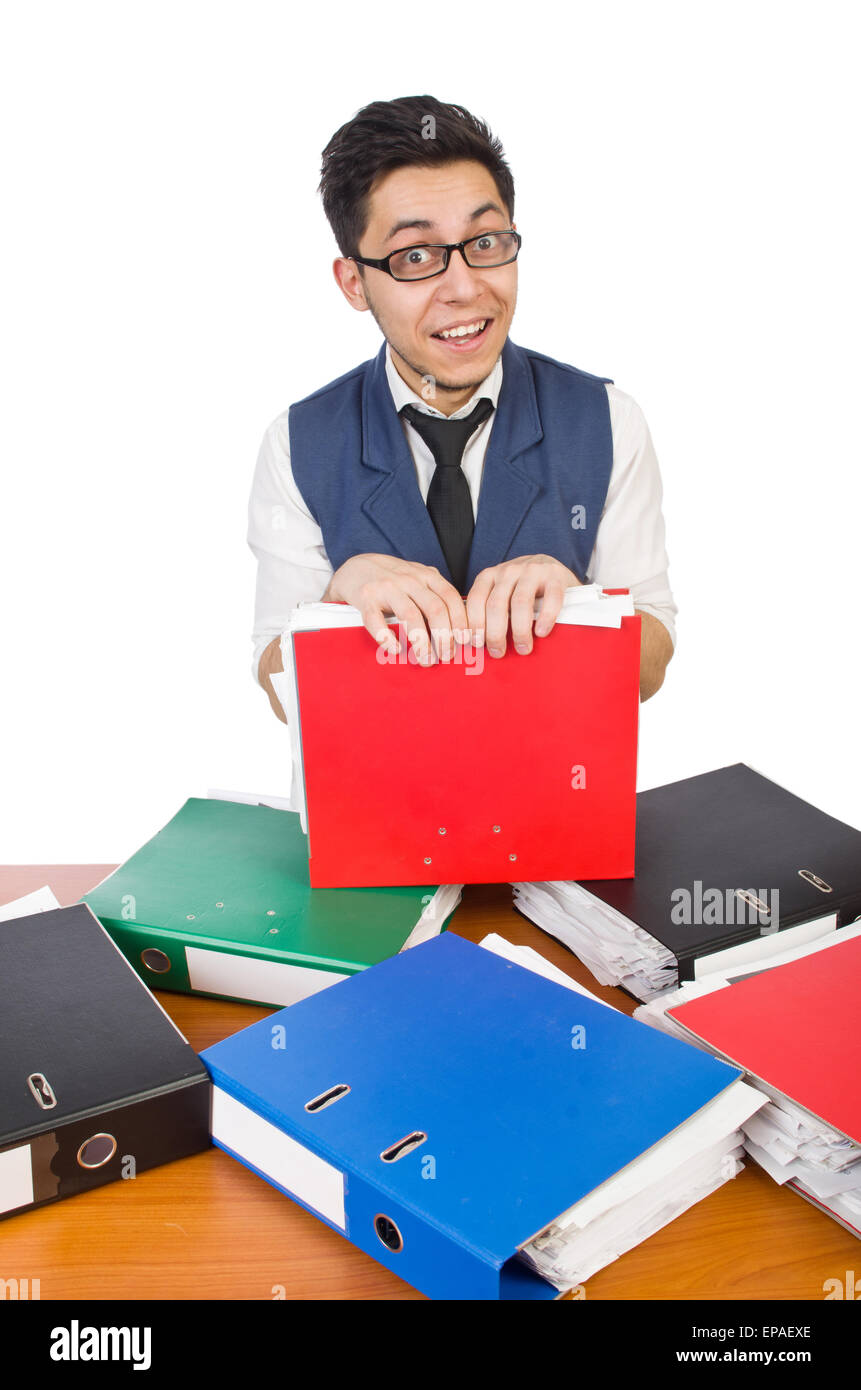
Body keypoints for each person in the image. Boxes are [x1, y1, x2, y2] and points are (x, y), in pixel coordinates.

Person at [249, 95, 676, 723]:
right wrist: (337, 596)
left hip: (560, 804)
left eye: (484, 241)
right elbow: (278, 684)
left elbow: (653, 661)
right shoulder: (298, 442)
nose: (465, 287)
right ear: (353, 283)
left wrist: (581, 603)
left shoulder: (607, 420)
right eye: (415, 256)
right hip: (374, 810)